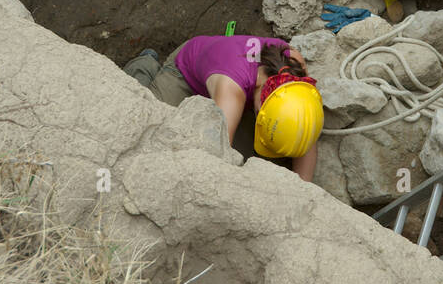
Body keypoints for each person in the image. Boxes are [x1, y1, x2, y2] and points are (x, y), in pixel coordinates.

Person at [124, 33, 322, 182]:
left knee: (255, 155)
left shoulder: (294, 67)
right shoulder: (231, 91)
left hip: (222, 70)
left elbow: (305, 126)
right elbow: (216, 162)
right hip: (185, 75)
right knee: (146, 121)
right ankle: (145, 66)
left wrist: (304, 190)